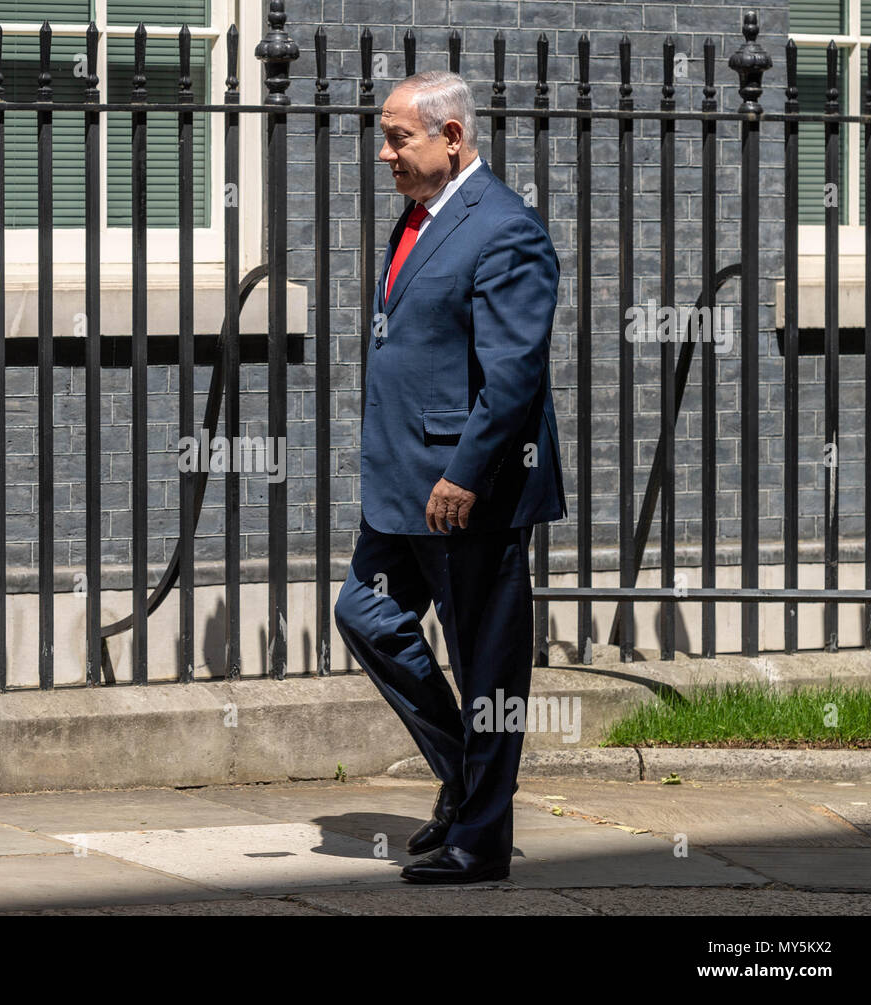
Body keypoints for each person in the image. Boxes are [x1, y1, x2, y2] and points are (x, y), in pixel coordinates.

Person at [333, 70, 567, 884]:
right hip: (403, 487)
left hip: (469, 493)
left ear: (453, 137)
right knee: (362, 611)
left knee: (486, 665)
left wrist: (465, 473)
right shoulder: (421, 218)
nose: (385, 151)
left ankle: (481, 838)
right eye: (386, 134)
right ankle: (468, 778)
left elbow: (514, 376)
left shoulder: (505, 229)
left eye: (400, 136)